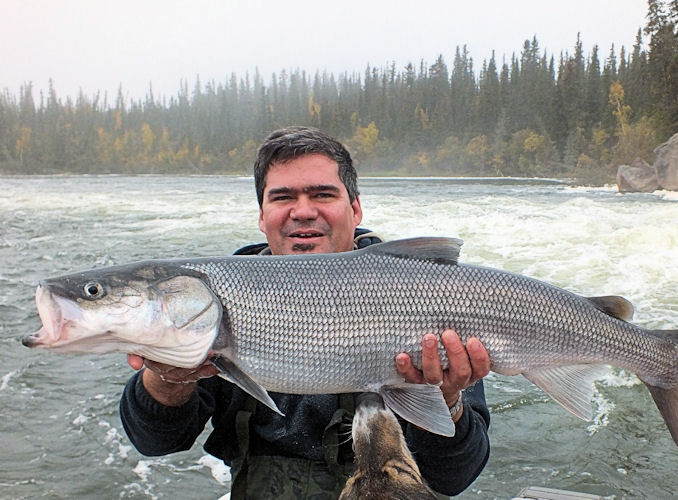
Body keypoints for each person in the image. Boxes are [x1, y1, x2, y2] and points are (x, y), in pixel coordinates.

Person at [119, 126, 492, 499]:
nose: (303, 211)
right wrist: (166, 379)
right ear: (262, 216)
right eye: (282, 197)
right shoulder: (211, 303)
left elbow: (454, 477)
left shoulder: (429, 294)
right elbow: (155, 442)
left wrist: (447, 400)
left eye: (322, 194)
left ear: (355, 208)